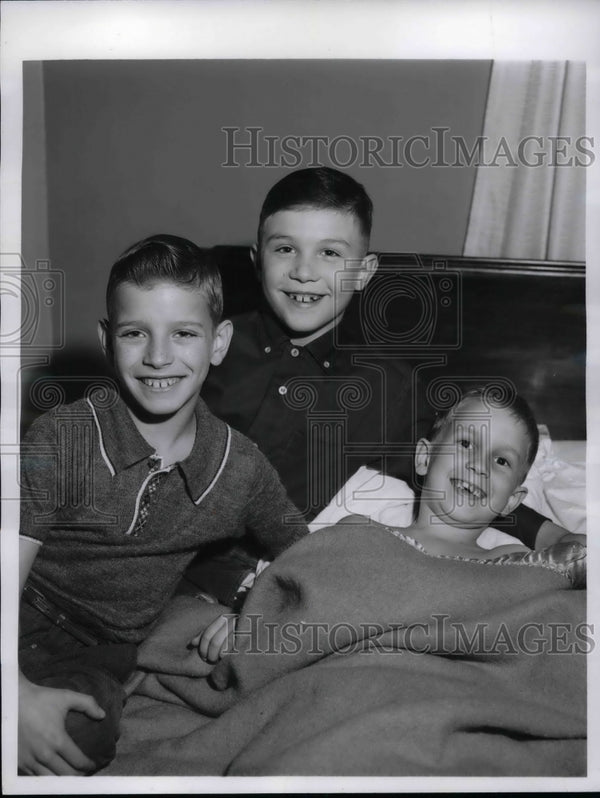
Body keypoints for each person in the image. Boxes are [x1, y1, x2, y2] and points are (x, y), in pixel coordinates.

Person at [184, 166, 565, 603]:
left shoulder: (384, 388)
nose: (303, 272)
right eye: (286, 248)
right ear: (256, 260)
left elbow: (457, 469)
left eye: (330, 253)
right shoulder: (204, 344)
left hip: (241, 593)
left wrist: (549, 533)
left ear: (364, 272)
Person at [18, 234, 307, 776]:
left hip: (97, 651)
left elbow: (307, 552)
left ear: (219, 342)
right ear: (108, 339)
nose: (157, 357)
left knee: (82, 736)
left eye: (183, 334)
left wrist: (254, 611)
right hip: (18, 613)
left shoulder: (239, 468)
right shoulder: (62, 437)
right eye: (135, 333)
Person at [401, 387, 585, 560]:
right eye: (466, 444)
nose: (480, 466)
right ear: (424, 458)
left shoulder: (513, 560)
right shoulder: (374, 534)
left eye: (501, 461)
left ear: (511, 501)